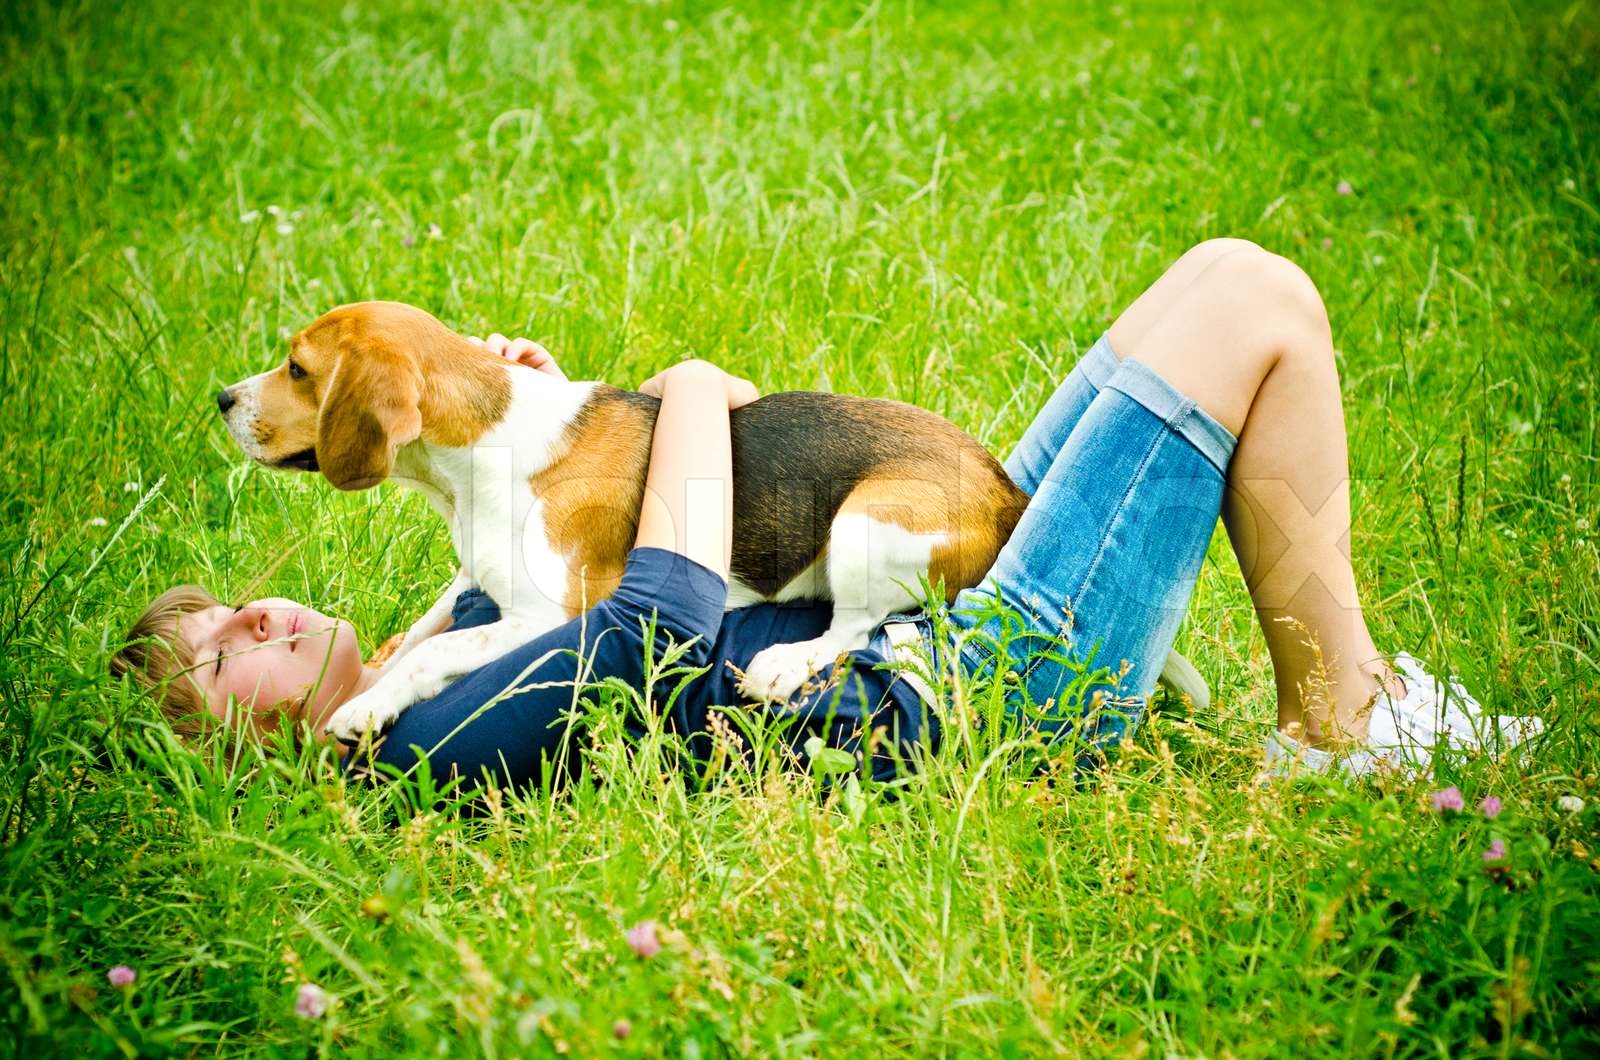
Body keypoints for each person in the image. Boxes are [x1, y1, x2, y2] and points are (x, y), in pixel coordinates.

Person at [110, 239, 1541, 792]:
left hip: (914, 579)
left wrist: (532, 406)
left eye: (225, 600)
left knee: (1211, 288)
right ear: (234, 756)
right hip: (954, 689)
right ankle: (1341, 728)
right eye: (226, 658)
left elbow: (547, 545)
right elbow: (657, 621)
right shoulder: (406, 751)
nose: (253, 613)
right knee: (1249, 298)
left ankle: (1344, 710)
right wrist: (681, 395)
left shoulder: (434, 652)